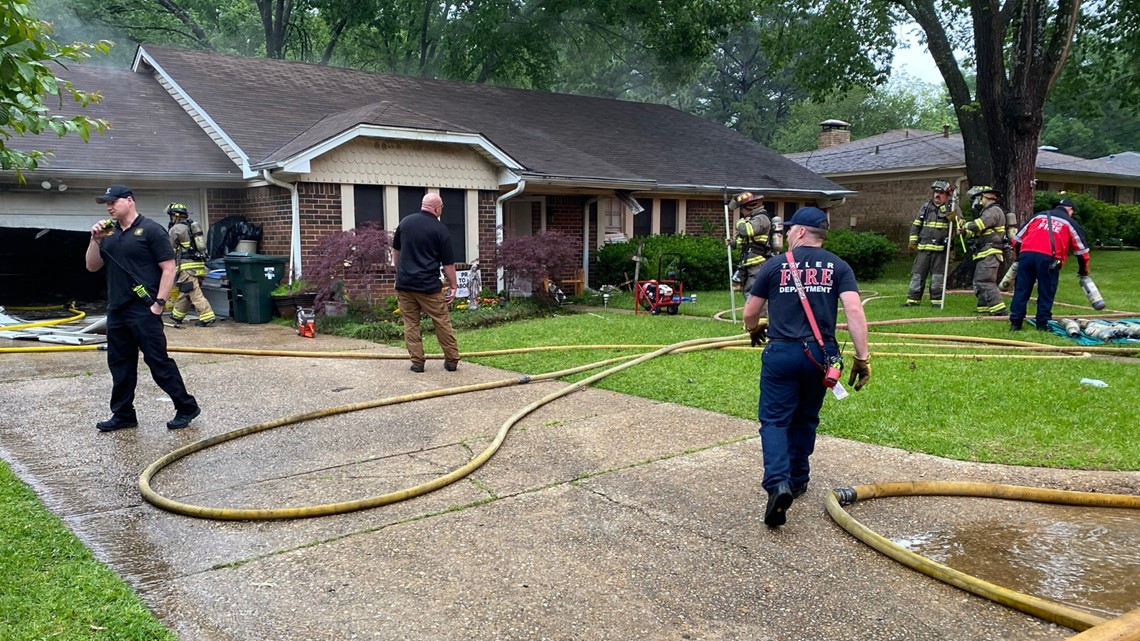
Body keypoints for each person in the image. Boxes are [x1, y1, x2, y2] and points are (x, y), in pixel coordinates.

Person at [743, 207, 871, 528]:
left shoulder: (774, 266)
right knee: (806, 417)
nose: (785, 234)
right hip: (821, 356)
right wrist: (862, 357)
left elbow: (750, 313)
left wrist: (754, 328)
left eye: (788, 229)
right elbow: (854, 310)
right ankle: (799, 478)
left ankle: (778, 483)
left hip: (781, 352)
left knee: (774, 420)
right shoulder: (839, 266)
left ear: (800, 232)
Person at [85, 184, 201, 432]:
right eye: (106, 203)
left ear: (129, 201)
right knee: (120, 365)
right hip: (117, 310)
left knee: (158, 362)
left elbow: (169, 269)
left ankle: (186, 406)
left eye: (112, 202)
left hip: (144, 309)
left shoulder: (151, 230)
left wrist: (159, 304)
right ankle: (123, 414)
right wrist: (94, 240)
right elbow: (92, 266)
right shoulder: (108, 233)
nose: (108, 207)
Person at [392, 192, 461, 373]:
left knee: (411, 323)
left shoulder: (405, 222)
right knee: (441, 321)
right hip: (429, 287)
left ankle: (417, 362)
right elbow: (448, 264)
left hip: (405, 284)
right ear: (437, 208)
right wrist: (453, 286)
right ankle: (452, 360)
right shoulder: (440, 229)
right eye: (442, 208)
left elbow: (396, 251)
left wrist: (401, 273)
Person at [1009, 198, 1091, 331]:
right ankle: (1042, 324)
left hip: (1026, 255)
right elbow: (1082, 252)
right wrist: (1083, 270)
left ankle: (1015, 323)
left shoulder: (1038, 216)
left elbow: (1016, 240)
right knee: (1046, 290)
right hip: (1052, 259)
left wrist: (1019, 258)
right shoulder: (1070, 222)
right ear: (1070, 210)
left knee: (1021, 289)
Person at [957, 186, 1015, 315]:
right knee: (979, 281)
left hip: (990, 251)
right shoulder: (987, 211)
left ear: (986, 197)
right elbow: (979, 233)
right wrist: (964, 232)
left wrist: (965, 225)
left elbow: (979, 225)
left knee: (985, 280)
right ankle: (983, 307)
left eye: (977, 198)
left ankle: (999, 310)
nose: (976, 201)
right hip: (984, 251)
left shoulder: (993, 211)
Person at [903, 180, 954, 308]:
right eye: (936, 192)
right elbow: (916, 225)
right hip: (924, 249)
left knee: (937, 278)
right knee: (917, 275)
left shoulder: (952, 208)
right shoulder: (925, 207)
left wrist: (956, 220)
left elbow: (961, 228)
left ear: (947, 194)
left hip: (940, 250)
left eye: (941, 192)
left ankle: (936, 302)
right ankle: (913, 300)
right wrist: (913, 241)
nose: (937, 195)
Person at [165, 202, 216, 327]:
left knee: (194, 292)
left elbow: (170, 250)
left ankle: (207, 316)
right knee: (187, 291)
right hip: (198, 266)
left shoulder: (175, 229)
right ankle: (177, 315)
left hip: (187, 268)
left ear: (175, 216)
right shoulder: (192, 227)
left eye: (172, 216)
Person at [727, 191, 781, 299]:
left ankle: (760, 316)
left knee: (754, 292)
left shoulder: (761, 218)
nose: (741, 212)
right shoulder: (753, 219)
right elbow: (746, 241)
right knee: (745, 289)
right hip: (749, 262)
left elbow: (747, 230)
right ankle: (752, 315)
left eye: (741, 209)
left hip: (758, 262)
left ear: (747, 207)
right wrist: (733, 243)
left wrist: (739, 222)